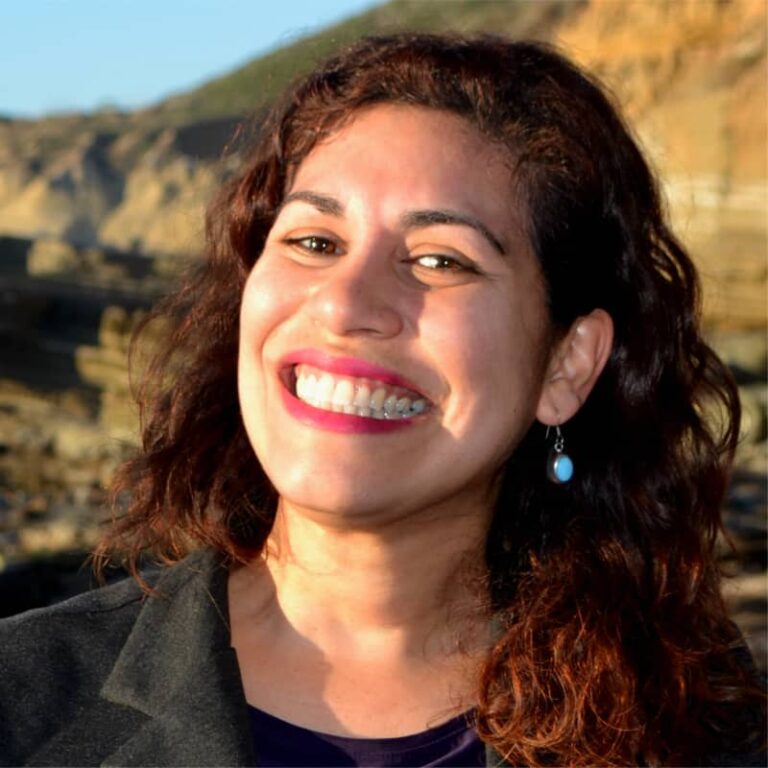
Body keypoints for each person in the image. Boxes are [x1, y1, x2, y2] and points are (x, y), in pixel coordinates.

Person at [1, 33, 764, 767]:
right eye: (315, 242)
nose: (345, 305)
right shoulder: (23, 701)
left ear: (566, 365)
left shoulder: (701, 734)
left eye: (439, 259)